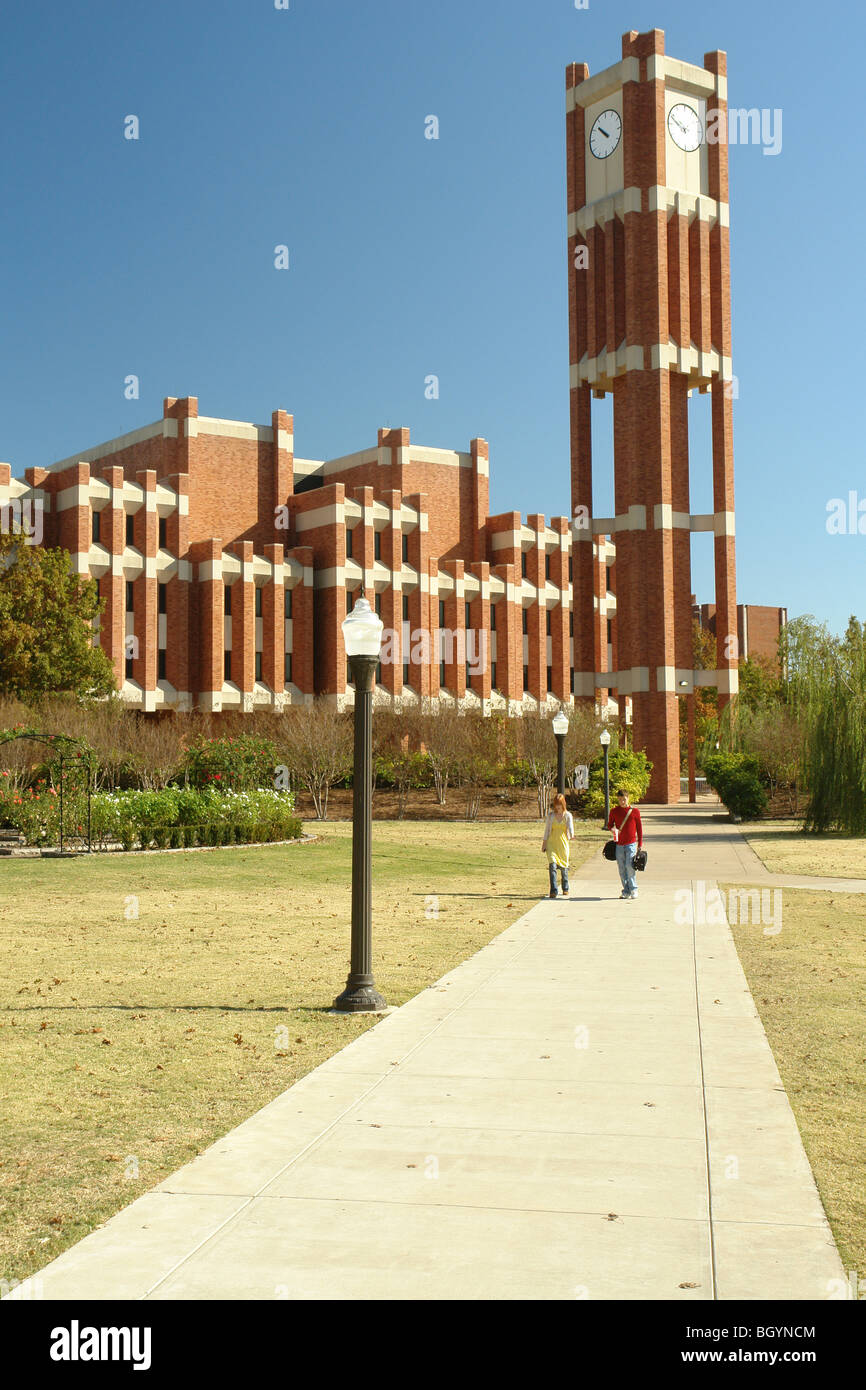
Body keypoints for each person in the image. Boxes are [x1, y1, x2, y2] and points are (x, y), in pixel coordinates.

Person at [606, 788, 643, 900]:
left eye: (624, 799)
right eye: (620, 799)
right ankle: (625, 891)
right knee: (621, 868)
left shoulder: (635, 812)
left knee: (629, 866)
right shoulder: (614, 811)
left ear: (628, 798)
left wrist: (640, 843)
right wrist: (613, 829)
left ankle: (633, 889)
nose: (622, 801)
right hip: (619, 844)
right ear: (618, 799)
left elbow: (639, 828)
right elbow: (609, 825)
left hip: (631, 843)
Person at [542, 792, 575, 899]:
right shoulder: (551, 816)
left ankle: (565, 887)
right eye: (556, 804)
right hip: (552, 844)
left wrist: (572, 835)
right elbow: (547, 830)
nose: (558, 807)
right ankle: (553, 890)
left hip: (563, 844)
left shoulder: (568, 816)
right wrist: (544, 843)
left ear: (563, 804)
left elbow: (570, 828)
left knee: (564, 867)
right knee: (552, 866)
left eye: (560, 804)